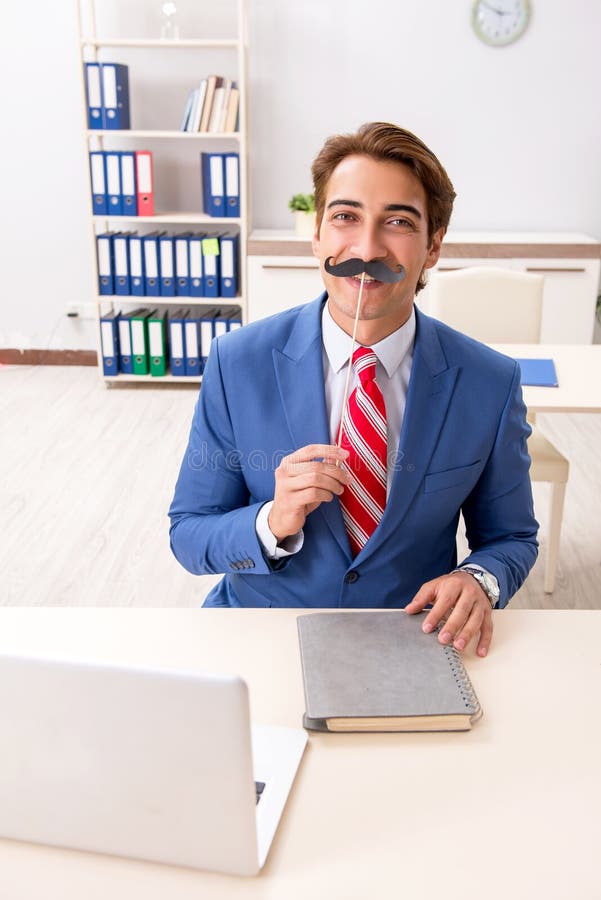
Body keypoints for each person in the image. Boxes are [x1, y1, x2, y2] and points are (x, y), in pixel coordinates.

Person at [169, 121, 538, 658]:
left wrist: (479, 579)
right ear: (317, 233)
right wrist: (271, 522)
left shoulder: (489, 382)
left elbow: (511, 538)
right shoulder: (237, 362)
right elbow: (189, 533)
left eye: (398, 222)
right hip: (263, 635)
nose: (367, 247)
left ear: (433, 247)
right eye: (345, 217)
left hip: (412, 641)